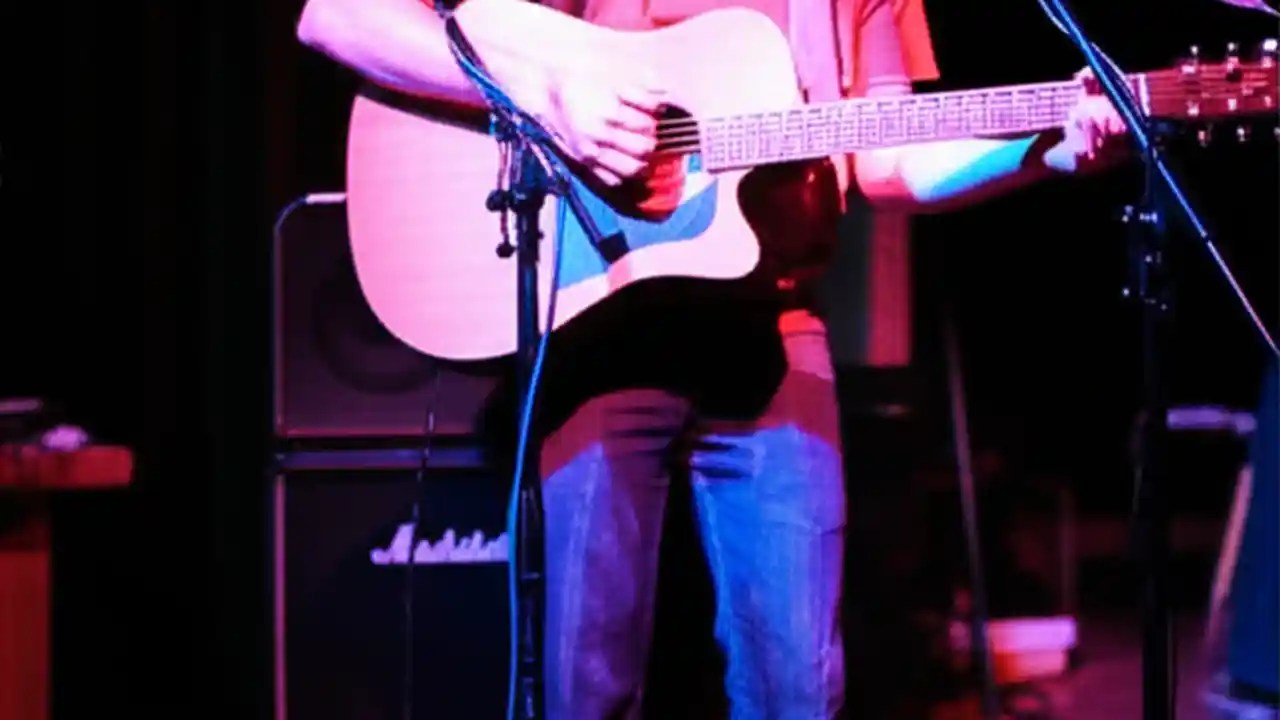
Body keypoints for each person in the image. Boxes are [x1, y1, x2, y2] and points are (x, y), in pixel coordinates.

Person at [294, 0, 1129, 716]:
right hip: (598, 330)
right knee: (584, 688)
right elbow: (338, 15)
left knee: (800, 689)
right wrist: (548, 94)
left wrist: (1043, 150)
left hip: (771, 325)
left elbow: (887, 157)